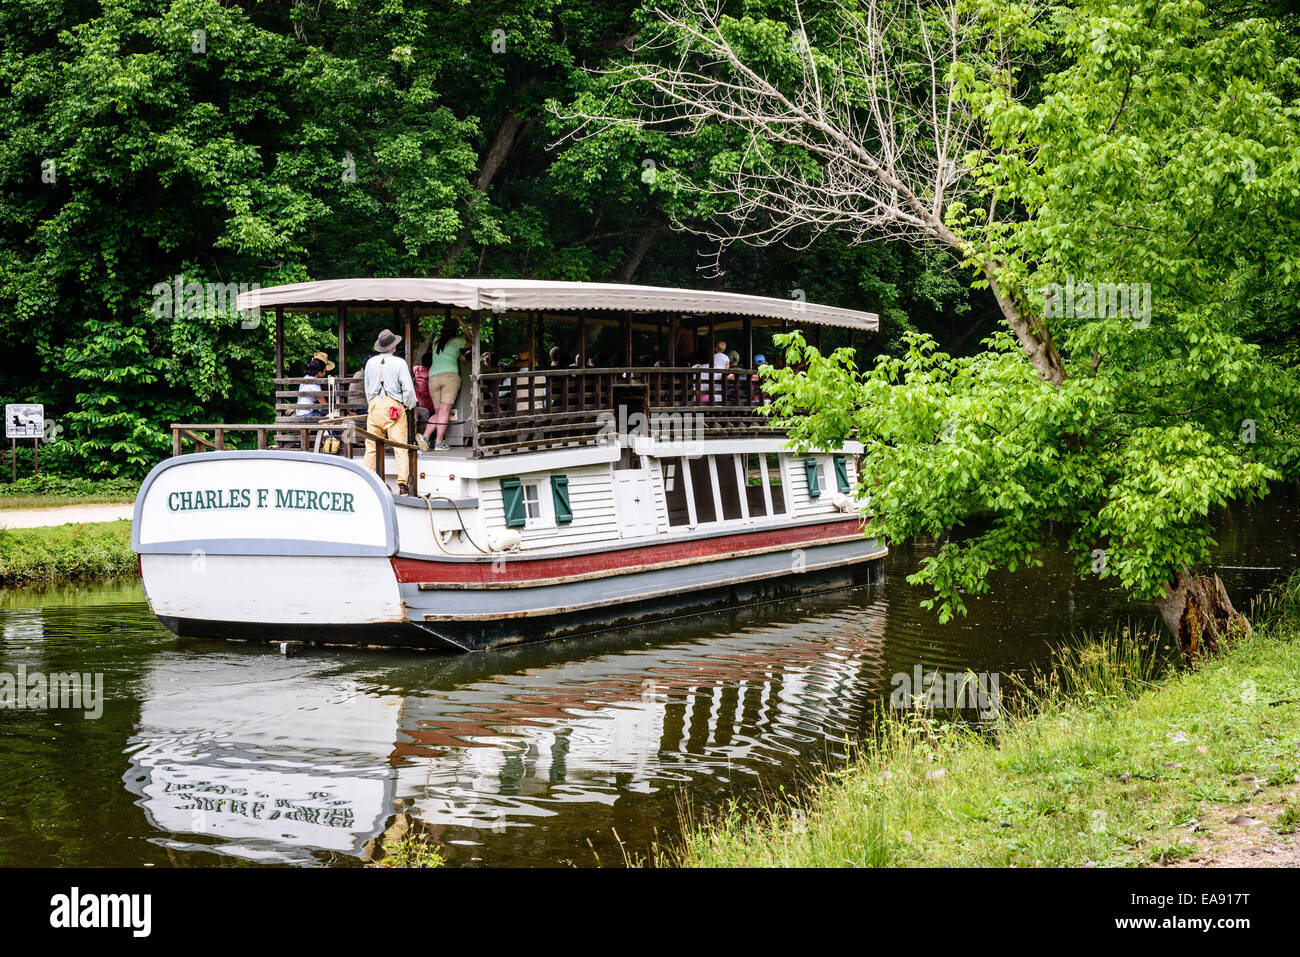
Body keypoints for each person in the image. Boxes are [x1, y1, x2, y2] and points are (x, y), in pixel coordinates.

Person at [363, 328, 417, 495]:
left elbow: (366, 387)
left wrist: (371, 403)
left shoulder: (370, 363)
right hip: (393, 405)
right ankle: (402, 485)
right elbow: (408, 389)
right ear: (393, 347)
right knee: (399, 446)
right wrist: (408, 405)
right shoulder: (400, 363)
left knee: (371, 446)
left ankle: (369, 481)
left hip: (374, 405)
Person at [416, 316, 470, 451]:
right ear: (456, 329)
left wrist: (457, 354)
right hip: (449, 377)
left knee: (439, 412)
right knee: (445, 411)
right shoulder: (458, 341)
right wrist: (463, 324)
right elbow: (472, 340)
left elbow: (447, 353)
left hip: (433, 378)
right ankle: (439, 443)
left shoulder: (436, 341)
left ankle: (426, 437)